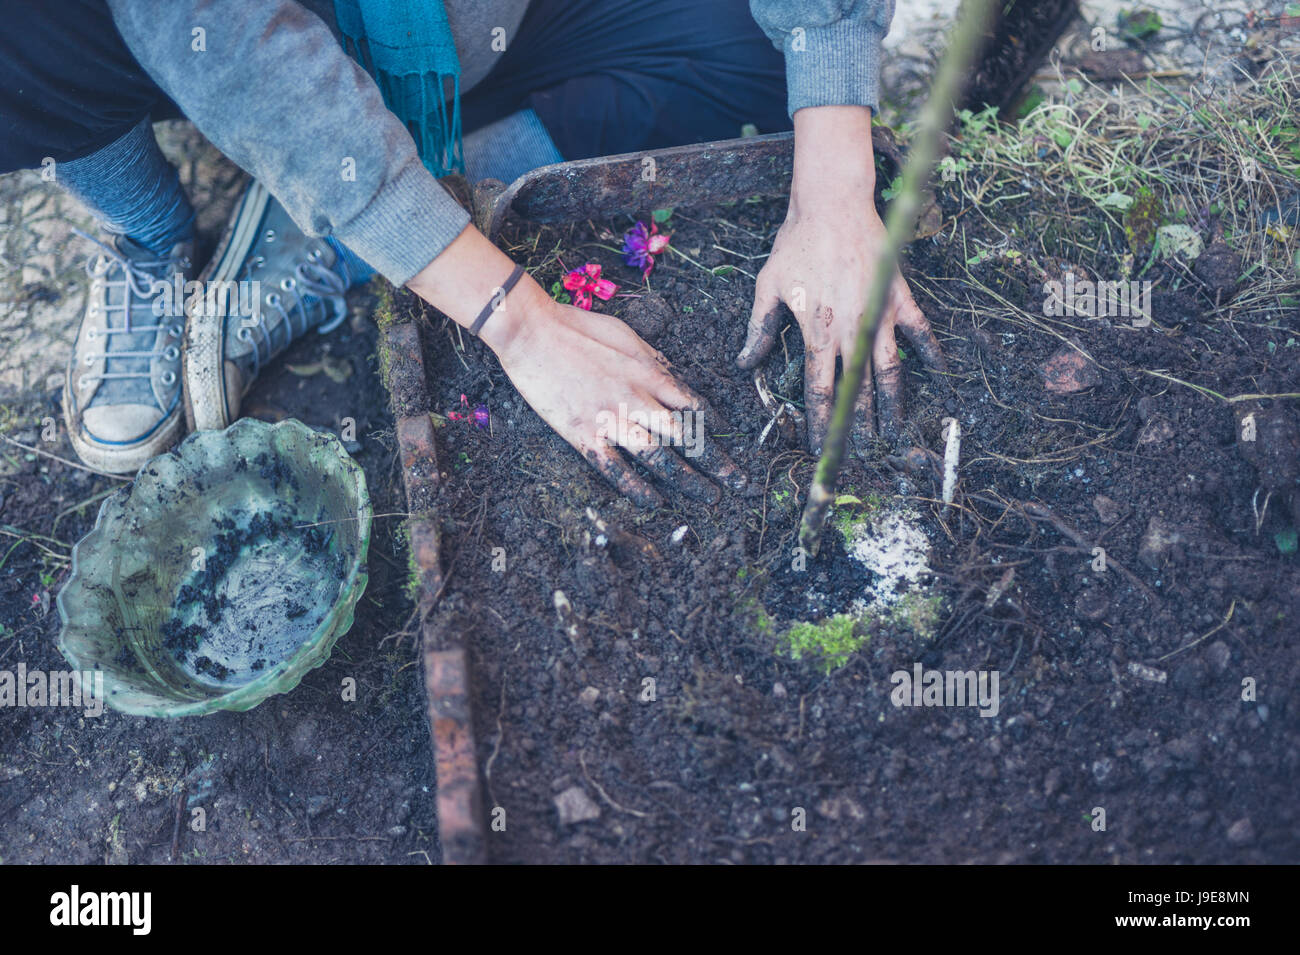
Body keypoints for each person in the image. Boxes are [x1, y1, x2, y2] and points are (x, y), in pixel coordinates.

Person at [0, 0, 945, 506]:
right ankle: (160, 235)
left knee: (759, 56)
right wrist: (522, 322)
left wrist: (832, 191)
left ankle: (370, 211)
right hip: (226, 29)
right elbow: (238, 44)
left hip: (490, 16)